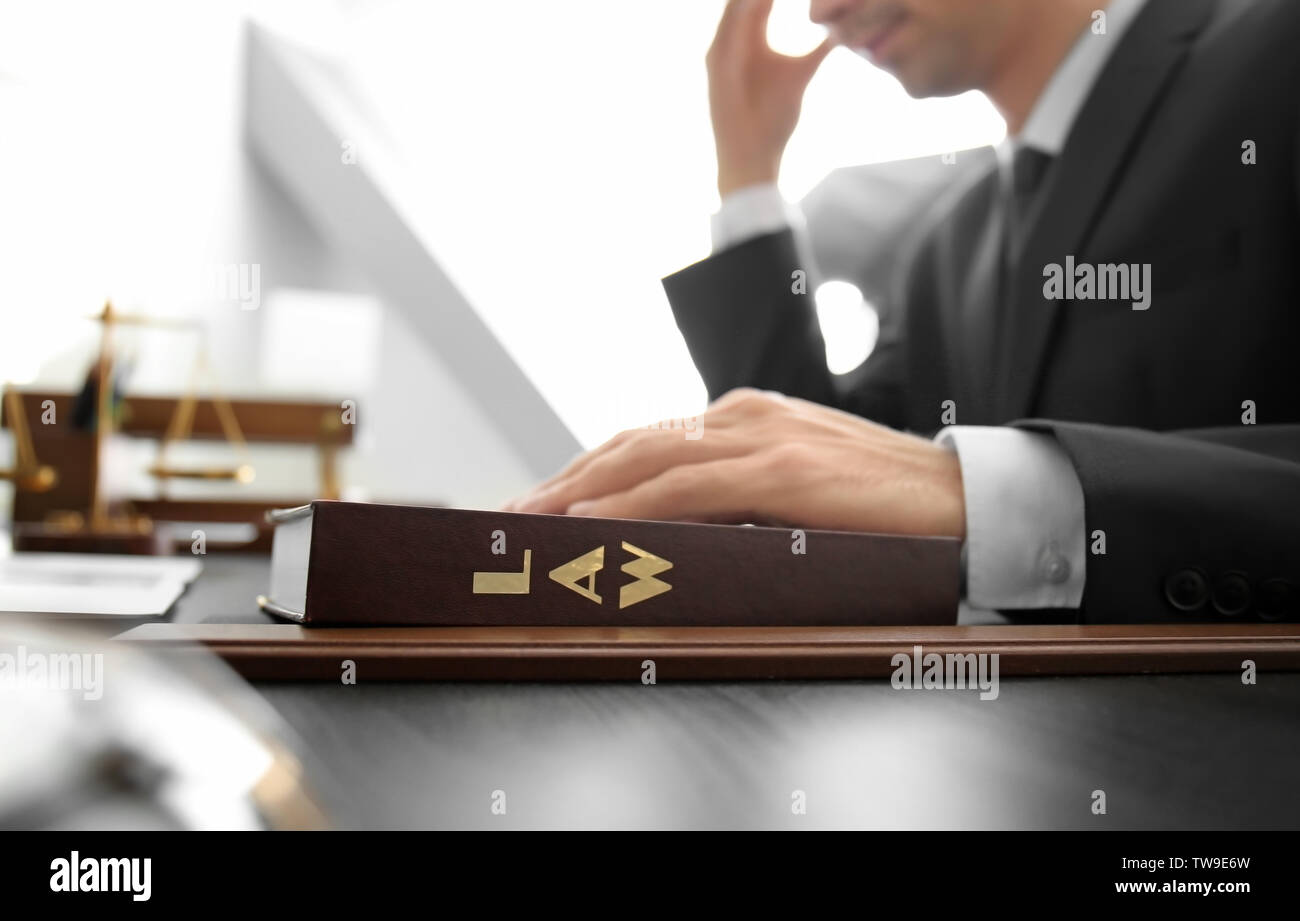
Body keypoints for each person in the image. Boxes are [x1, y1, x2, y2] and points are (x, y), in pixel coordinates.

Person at [507, 0, 1300, 624]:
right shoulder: (950, 246)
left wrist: (1002, 493)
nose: (821, 10)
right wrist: (747, 173)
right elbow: (825, 480)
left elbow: (932, 484)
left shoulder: (1279, 49)